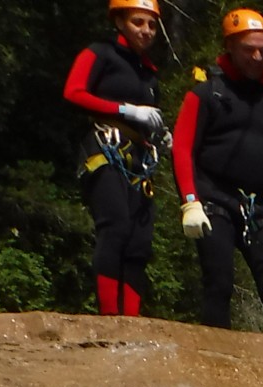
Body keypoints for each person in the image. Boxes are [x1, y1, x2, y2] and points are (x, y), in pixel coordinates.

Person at [173, 8, 263, 336]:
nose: (258, 56)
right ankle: (216, 365)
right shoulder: (207, 94)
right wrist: (190, 201)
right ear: (230, 47)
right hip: (213, 201)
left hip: (260, 207)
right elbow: (182, 147)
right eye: (249, 49)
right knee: (219, 283)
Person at [63, 0, 167, 318]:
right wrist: (125, 110)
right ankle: (110, 316)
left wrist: (160, 136)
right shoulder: (99, 53)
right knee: (116, 226)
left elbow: (149, 119)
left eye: (151, 25)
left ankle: (130, 318)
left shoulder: (148, 72)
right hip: (104, 146)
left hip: (139, 157)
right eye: (138, 22)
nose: (146, 31)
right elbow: (74, 92)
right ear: (120, 22)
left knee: (139, 241)